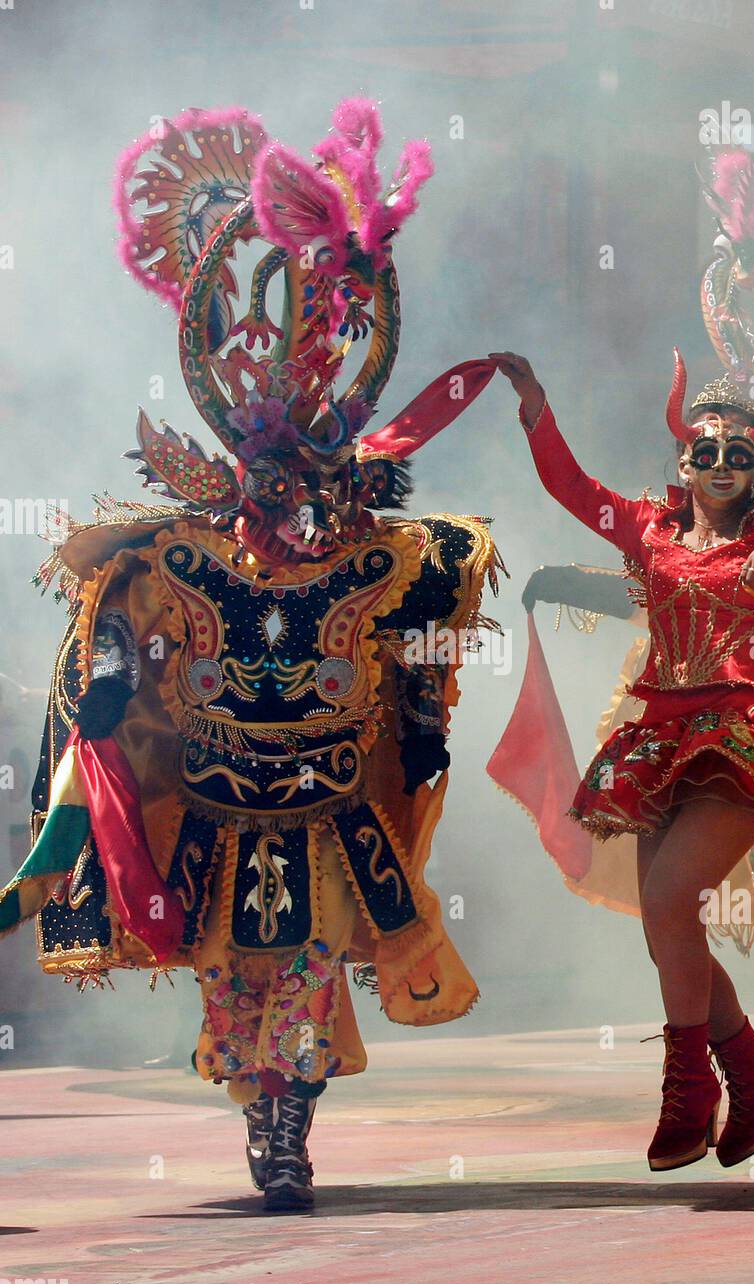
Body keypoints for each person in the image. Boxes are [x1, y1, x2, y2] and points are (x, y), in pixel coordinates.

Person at [0, 100, 501, 1213]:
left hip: (328, 811)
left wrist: (419, 711)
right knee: (233, 984)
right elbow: (109, 616)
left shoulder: (380, 560)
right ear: (237, 479)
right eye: (281, 489)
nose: (305, 514)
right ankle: (263, 1111)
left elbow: (424, 633)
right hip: (221, 813)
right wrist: (117, 678)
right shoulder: (172, 555)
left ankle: (287, 1130)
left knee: (313, 977)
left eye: (322, 491)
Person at [488, 347, 754, 1172]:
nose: (720, 466)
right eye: (705, 452)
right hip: (659, 741)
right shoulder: (651, 529)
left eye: (738, 455)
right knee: (665, 923)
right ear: (682, 462)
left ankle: (690, 1088)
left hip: (745, 742)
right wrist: (537, 409)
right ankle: (750, 1067)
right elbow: (574, 493)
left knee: (672, 896)